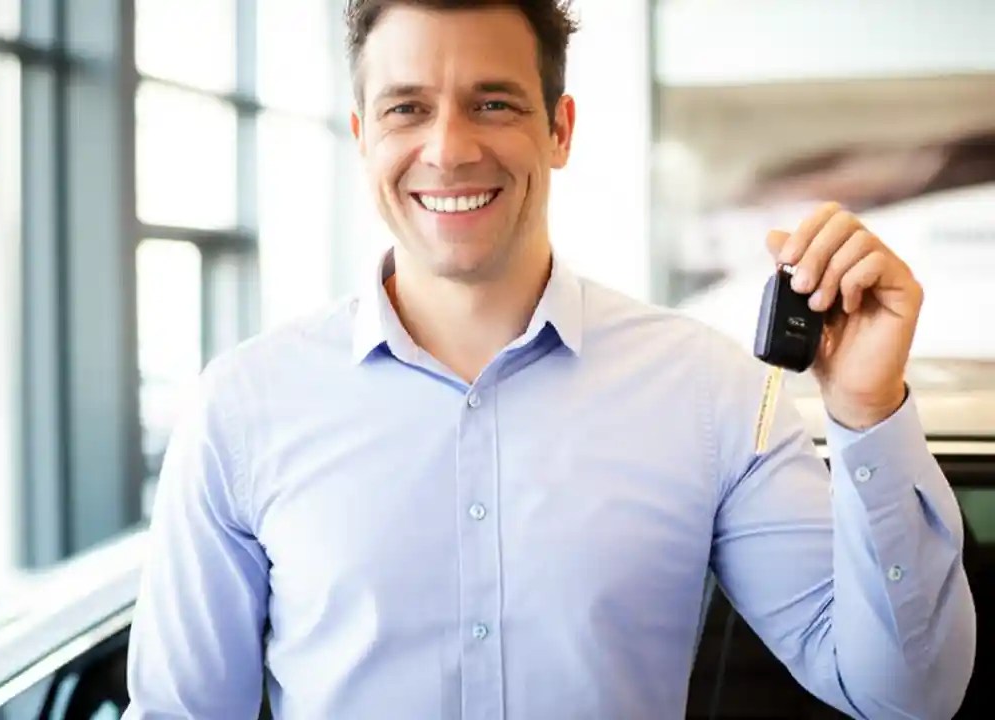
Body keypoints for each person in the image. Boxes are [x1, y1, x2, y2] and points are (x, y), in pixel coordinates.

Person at [124, 1, 976, 718]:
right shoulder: (245, 405)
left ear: (559, 129)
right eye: (407, 108)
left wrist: (868, 410)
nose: (450, 148)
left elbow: (903, 696)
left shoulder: (710, 391)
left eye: (493, 103)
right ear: (361, 136)